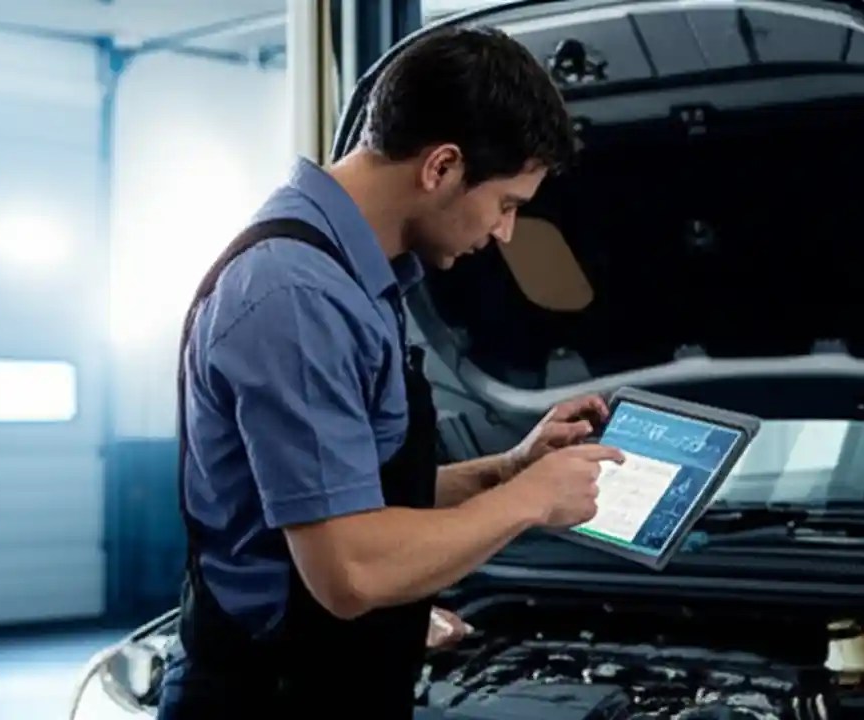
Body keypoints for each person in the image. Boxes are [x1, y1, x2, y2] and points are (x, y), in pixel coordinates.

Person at [156, 26, 624, 719]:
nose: (505, 235)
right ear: (440, 167)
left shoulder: (348, 279)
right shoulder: (298, 296)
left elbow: (338, 491)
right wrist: (531, 502)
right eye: (507, 204)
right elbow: (350, 569)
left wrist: (506, 471)